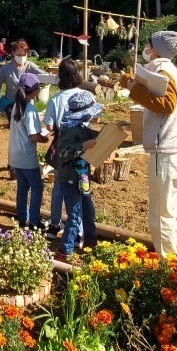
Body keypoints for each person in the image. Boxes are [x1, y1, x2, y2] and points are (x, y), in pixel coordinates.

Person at [124, 31, 177, 266]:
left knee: (162, 218)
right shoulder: (166, 69)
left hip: (166, 153)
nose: (145, 47)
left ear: (156, 49)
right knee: (169, 214)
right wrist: (131, 83)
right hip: (174, 152)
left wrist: (134, 89)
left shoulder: (162, 69)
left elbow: (167, 103)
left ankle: (174, 273)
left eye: (149, 44)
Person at [54, 90, 103, 259]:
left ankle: (90, 241)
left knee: (88, 211)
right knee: (74, 215)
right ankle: (65, 249)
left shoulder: (82, 128)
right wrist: (83, 146)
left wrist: (107, 136)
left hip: (82, 178)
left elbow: (96, 138)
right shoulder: (68, 130)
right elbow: (63, 153)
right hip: (70, 179)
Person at [43, 58, 85, 240]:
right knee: (80, 186)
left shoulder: (56, 99)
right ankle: (79, 230)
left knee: (59, 186)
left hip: (63, 145)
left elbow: (50, 126)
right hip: (83, 145)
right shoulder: (85, 95)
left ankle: (54, 224)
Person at [8, 73, 48, 229]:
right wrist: (45, 137)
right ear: (36, 90)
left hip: (15, 155)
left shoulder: (17, 106)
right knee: (37, 187)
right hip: (26, 156)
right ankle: (34, 221)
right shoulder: (30, 109)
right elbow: (34, 137)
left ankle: (22, 219)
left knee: (22, 188)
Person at [0, 37, 42, 111]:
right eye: (19, 55)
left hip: (27, 103)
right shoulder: (5, 68)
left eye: (24, 55)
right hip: (10, 104)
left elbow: (43, 75)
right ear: (13, 53)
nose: (21, 57)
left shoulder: (30, 66)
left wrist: (49, 74)